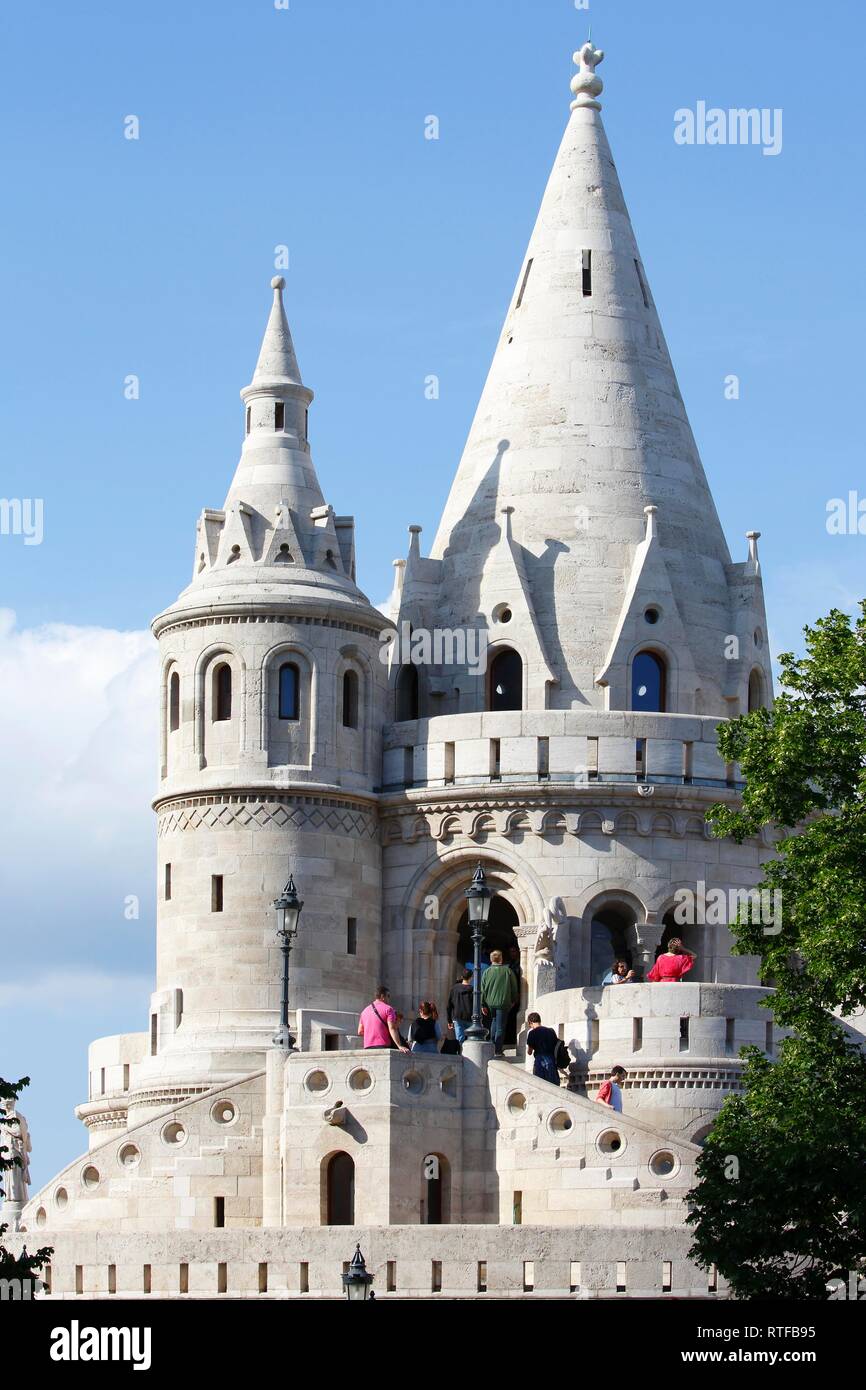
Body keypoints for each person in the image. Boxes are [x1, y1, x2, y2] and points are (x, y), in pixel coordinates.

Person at [480, 949, 519, 1056]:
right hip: (503, 1002)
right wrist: (514, 1000)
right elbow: (514, 987)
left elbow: (482, 990)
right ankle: (497, 1049)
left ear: (491, 959)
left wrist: (482, 1004)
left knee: (494, 1022)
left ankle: (492, 1045)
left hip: (490, 1003)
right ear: (501, 959)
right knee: (500, 1026)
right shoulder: (508, 971)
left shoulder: (486, 972)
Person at [358, 986, 409, 1052]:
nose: (389, 999)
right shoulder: (388, 1009)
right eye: (388, 996)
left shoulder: (364, 1011)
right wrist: (399, 1045)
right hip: (382, 1045)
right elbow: (392, 1028)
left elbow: (360, 1031)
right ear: (382, 996)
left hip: (368, 1046)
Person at [525, 1012, 559, 1084]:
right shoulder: (551, 1031)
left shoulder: (532, 1033)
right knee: (552, 1085)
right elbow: (556, 1045)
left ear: (531, 1022)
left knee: (540, 1084)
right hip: (551, 1059)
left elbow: (529, 1052)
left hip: (540, 1060)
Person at [447, 970, 474, 1043]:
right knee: (471, 1040)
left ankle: (460, 1053)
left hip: (457, 1017)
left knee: (459, 1040)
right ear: (471, 978)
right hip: (469, 1017)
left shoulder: (454, 988)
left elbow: (449, 1005)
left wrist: (449, 1020)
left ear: (462, 977)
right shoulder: (473, 990)